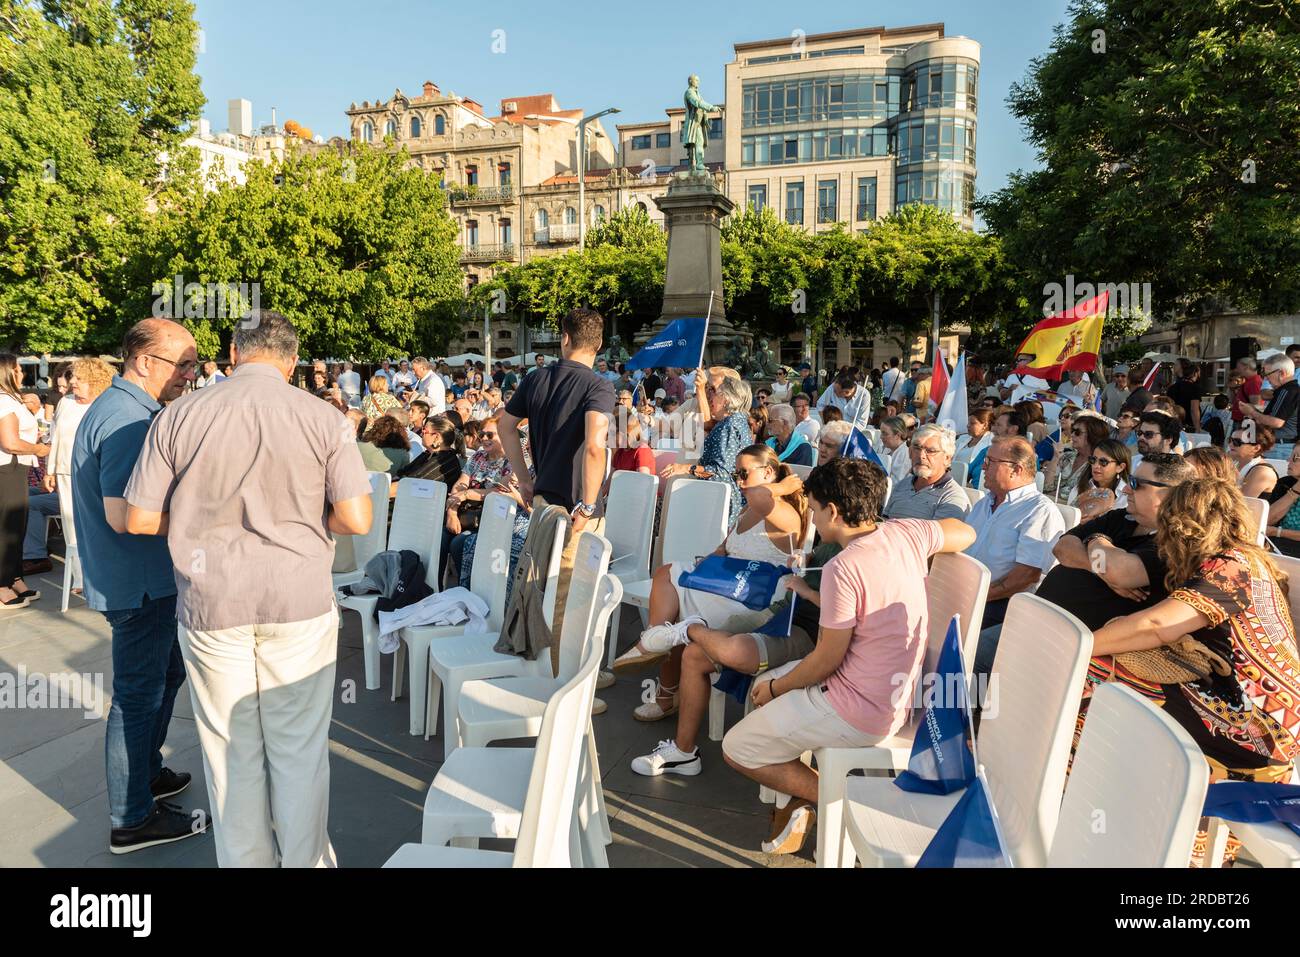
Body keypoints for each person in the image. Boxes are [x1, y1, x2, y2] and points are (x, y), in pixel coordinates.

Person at [123, 310, 373, 867]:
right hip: (298, 601)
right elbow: (356, 518)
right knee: (300, 752)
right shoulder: (322, 418)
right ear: (291, 360)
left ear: (234, 355)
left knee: (227, 751)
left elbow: (139, 519)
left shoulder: (179, 416)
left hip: (213, 604)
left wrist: (194, 521)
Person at [721, 457, 977, 854]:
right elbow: (964, 532)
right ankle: (794, 801)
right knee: (763, 686)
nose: (814, 517)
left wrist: (776, 688)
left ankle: (832, 800)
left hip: (858, 708)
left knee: (737, 746)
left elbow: (826, 660)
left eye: (816, 507)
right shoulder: (905, 532)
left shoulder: (844, 565)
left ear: (833, 512)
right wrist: (809, 596)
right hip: (897, 695)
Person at [71, 320, 206, 853]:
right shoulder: (128, 419)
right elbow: (126, 514)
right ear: (144, 362)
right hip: (140, 583)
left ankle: (145, 775)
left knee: (163, 677)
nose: (191, 375)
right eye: (184, 364)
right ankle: (131, 818)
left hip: (139, 578)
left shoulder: (126, 409)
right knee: (137, 696)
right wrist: (202, 519)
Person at [1084, 478, 1300, 787]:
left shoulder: (1232, 568)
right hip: (1252, 712)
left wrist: (1075, 646)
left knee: (1095, 676)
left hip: (1256, 730)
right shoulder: (1240, 559)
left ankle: (1093, 790)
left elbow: (1157, 626)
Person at [614, 444, 808, 719]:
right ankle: (656, 639)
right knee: (668, 578)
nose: (739, 481)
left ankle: (664, 682)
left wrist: (783, 487)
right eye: (735, 473)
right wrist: (713, 557)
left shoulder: (782, 512)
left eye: (744, 473)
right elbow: (726, 546)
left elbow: (762, 496)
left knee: (677, 606)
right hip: (727, 587)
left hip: (754, 599)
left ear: (768, 472)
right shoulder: (747, 510)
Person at [500, 307, 614, 676]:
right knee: (570, 596)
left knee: (541, 586)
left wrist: (525, 477)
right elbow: (596, 446)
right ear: (598, 345)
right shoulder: (598, 385)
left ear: (565, 338)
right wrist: (589, 503)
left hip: (543, 497)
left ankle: (555, 670)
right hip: (578, 504)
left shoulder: (535, 378)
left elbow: (506, 428)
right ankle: (563, 680)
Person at [1034, 453, 1197, 632]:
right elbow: (1062, 547)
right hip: (1041, 623)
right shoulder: (1122, 517)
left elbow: (1120, 571)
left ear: (1169, 493)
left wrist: (1095, 539)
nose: (1126, 489)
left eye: (1136, 484)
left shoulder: (1177, 541)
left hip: (1087, 645)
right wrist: (1101, 571)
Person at [966, 436, 1066, 655]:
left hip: (1000, 605)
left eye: (990, 461)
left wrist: (974, 596)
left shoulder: (1039, 511)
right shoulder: (985, 503)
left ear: (1016, 469)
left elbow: (1025, 576)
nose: (983, 465)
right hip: (968, 594)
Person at [25, 357, 115, 575]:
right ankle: (79, 576)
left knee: (95, 521)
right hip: (65, 471)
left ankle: (101, 569)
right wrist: (50, 470)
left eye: (79, 378)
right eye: (73, 376)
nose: (72, 381)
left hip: (93, 472)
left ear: (95, 380)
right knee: (70, 523)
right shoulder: (66, 402)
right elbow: (55, 437)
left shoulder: (105, 403)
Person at [659, 375, 753, 527]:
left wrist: (685, 468)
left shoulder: (728, 426)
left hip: (723, 505)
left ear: (726, 399)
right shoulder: (738, 421)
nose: (710, 397)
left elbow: (721, 473)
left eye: (714, 392)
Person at [0, 355, 50, 607]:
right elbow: (10, 442)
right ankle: (1, 584)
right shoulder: (4, 401)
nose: (21, 374)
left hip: (16, 469)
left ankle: (13, 577)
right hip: (7, 468)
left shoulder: (12, 400)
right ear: (8, 372)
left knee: (17, 525)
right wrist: (38, 450)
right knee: (6, 527)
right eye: (18, 369)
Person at [443, 414, 514, 580]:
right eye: (481, 434)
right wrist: (451, 513)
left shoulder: (511, 460)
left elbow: (500, 491)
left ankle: (468, 590)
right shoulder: (477, 456)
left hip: (492, 520)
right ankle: (435, 588)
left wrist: (467, 494)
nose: (484, 438)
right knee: (439, 537)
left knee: (459, 544)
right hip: (465, 514)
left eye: (490, 435)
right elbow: (460, 483)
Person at [883, 423, 969, 520]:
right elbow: (885, 522)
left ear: (947, 458)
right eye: (917, 448)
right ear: (910, 453)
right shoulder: (902, 485)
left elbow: (937, 535)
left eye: (931, 451)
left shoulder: (952, 498)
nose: (921, 456)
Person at [1042, 412, 1110, 505]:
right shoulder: (1067, 456)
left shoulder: (1098, 466)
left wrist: (1045, 499)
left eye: (1077, 432)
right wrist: (1055, 457)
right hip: (1048, 504)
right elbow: (1046, 487)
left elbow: (1079, 500)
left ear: (1092, 436)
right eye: (1072, 431)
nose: (1072, 435)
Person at [1240, 353, 1300, 444]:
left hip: (1282, 445)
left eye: (1267, 374)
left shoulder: (1287, 391)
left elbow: (1276, 422)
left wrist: (1251, 412)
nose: (1266, 379)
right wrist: (1254, 410)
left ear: (1281, 373)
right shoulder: (1289, 390)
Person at [1074, 438, 1132, 522]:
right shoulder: (1081, 486)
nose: (1096, 465)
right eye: (1093, 460)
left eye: (1103, 462)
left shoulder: (1127, 497)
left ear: (1120, 467)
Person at [397, 413, 464, 485]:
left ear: (437, 437)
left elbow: (410, 485)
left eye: (425, 431)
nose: (421, 433)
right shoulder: (427, 453)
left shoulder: (444, 461)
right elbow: (403, 473)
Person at [969, 406, 1027, 488]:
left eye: (998, 425)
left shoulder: (1026, 457)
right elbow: (965, 472)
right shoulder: (987, 450)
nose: (993, 429)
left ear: (1013, 429)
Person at [1265, 444, 1300, 555]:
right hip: (1277, 545)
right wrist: (1295, 491)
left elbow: (1270, 529)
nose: (1288, 460)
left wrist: (1278, 532)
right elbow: (1267, 520)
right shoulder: (1286, 483)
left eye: (1295, 458)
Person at [1229, 423, 1278, 499]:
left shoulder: (1262, 472)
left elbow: (1241, 503)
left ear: (1256, 448)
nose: (1230, 445)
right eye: (1230, 440)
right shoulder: (1235, 462)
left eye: (1237, 442)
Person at [1166, 358, 1204, 432]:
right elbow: (1194, 409)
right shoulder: (1194, 387)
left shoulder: (1172, 387)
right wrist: (1197, 428)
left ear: (1183, 367)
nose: (1173, 366)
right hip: (1188, 426)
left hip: (1175, 424)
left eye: (1176, 364)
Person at [878, 415, 913, 486]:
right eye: (881, 432)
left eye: (885, 433)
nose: (881, 437)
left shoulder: (904, 455)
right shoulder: (886, 448)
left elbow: (896, 485)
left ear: (897, 435)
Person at [1231, 356, 1263, 427]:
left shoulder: (1254, 382)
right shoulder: (1250, 380)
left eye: (1238, 367)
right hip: (1243, 421)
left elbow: (1256, 406)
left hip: (1245, 423)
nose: (1236, 370)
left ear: (1246, 367)